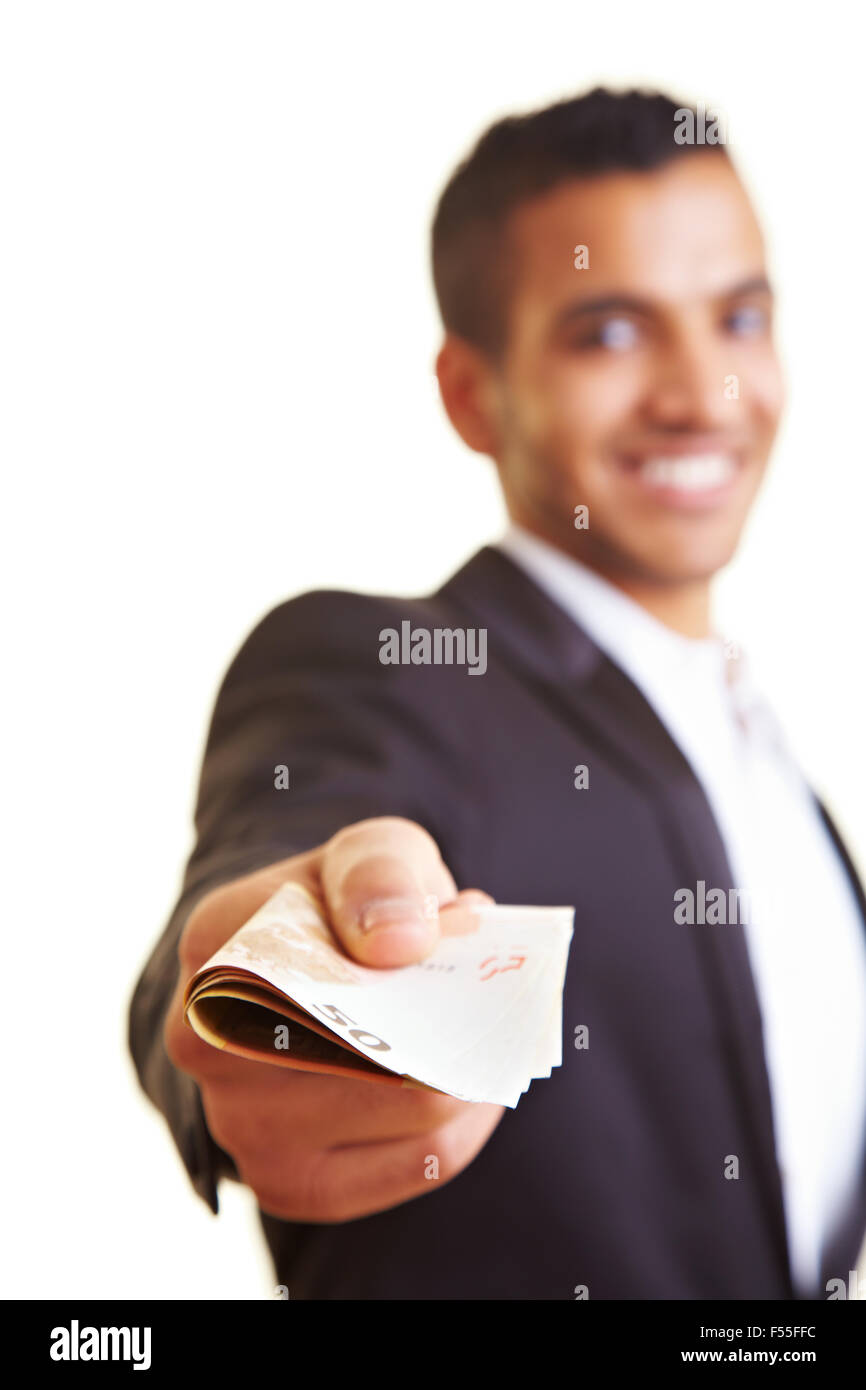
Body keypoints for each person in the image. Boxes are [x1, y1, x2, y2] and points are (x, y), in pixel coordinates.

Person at [129, 86, 866, 1299]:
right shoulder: (381, 671)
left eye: (737, 316)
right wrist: (241, 997)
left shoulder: (766, 756)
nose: (701, 391)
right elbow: (263, 880)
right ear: (472, 394)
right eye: (609, 334)